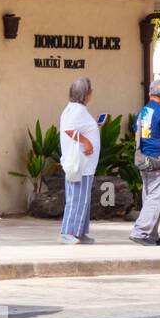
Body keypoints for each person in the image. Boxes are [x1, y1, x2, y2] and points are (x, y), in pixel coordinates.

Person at [131, 78, 160, 246]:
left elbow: (137, 132)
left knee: (149, 197)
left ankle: (152, 235)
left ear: (150, 93)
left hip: (144, 160)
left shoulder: (143, 112)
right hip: (159, 161)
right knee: (156, 198)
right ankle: (141, 232)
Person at [58, 76, 100, 244]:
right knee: (77, 199)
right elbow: (69, 129)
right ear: (86, 94)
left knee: (83, 199)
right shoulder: (76, 110)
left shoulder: (74, 109)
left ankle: (79, 232)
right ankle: (68, 232)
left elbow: (76, 127)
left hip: (84, 165)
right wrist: (87, 141)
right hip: (81, 164)